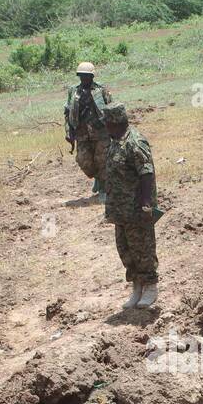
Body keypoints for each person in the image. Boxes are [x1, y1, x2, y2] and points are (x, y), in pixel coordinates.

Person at [102, 103, 161, 309]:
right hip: (120, 210)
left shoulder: (135, 142)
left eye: (107, 123)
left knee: (142, 249)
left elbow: (146, 173)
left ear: (115, 122)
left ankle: (150, 287)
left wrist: (146, 203)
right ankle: (137, 286)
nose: (105, 127)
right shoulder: (115, 141)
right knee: (125, 249)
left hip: (136, 209)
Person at [64, 62, 113, 200]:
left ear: (92, 76)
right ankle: (98, 178)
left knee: (102, 160)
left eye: (87, 76)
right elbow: (67, 112)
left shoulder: (101, 90)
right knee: (83, 161)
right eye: (82, 76)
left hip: (101, 132)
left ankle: (104, 188)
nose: (84, 78)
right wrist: (68, 132)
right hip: (82, 133)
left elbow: (111, 108)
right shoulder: (73, 91)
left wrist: (114, 130)